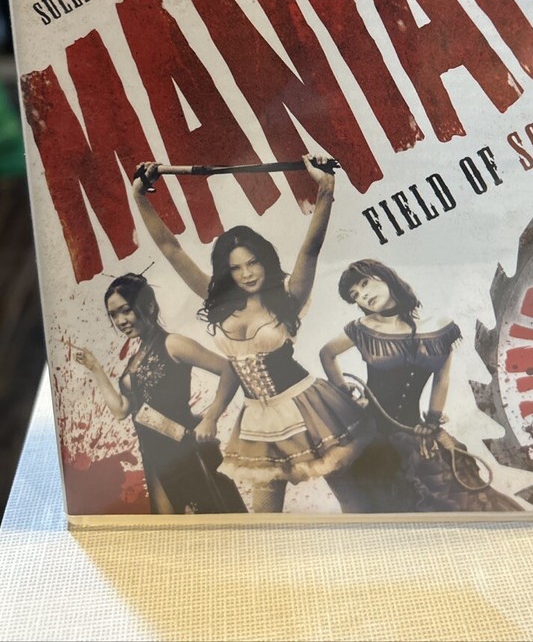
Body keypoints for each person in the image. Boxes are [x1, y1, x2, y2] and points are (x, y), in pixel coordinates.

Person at [131, 156, 373, 513]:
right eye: (237, 268)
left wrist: (326, 188)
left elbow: (311, 248)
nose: (247, 274)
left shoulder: (288, 297)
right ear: (226, 273)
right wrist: (140, 196)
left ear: (265, 261)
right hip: (259, 419)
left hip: (307, 406)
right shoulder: (217, 301)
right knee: (264, 516)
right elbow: (172, 249)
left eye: (253, 262)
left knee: (352, 502)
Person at [320, 258, 525, 513]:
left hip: (415, 432)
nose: (362, 295)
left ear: (384, 276)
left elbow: (441, 378)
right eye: (355, 295)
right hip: (371, 438)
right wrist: (346, 395)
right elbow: (327, 354)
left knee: (460, 498)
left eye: (364, 284)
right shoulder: (363, 328)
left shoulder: (441, 328)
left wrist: (433, 421)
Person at [75, 272, 246, 514]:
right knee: (171, 525)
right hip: (154, 454)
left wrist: (211, 418)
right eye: (113, 315)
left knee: (207, 517)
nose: (120, 320)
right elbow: (121, 410)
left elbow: (230, 369)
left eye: (126, 310)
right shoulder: (134, 360)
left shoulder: (172, 344)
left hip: (185, 450)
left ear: (149, 306)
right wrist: (96, 369)